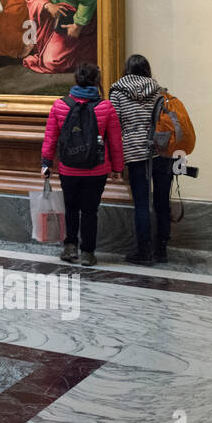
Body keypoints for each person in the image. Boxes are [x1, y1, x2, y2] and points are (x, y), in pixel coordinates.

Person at [41, 62, 124, 266]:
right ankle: (88, 252)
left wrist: (46, 162)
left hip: (68, 168)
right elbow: (115, 141)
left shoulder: (60, 105)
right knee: (90, 210)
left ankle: (70, 247)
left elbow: (51, 137)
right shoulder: (105, 107)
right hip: (97, 169)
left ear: (76, 79)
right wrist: (117, 168)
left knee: (70, 208)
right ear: (96, 81)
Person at [109, 54, 173, 264]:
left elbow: (115, 126)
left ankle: (144, 251)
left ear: (127, 69)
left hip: (136, 152)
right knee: (162, 201)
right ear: (147, 70)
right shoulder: (159, 92)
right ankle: (161, 250)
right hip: (161, 150)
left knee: (142, 203)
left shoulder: (117, 92)